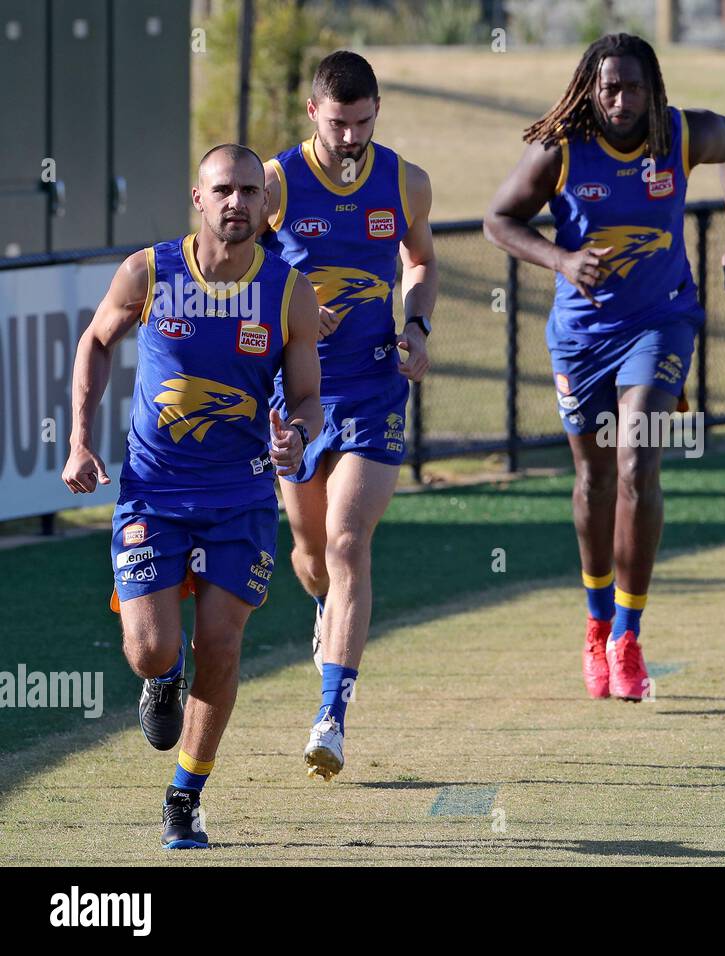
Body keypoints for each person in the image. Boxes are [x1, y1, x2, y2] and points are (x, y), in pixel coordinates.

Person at [62, 144, 322, 848]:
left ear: (267, 206)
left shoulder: (290, 291)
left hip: (239, 496)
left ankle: (186, 793)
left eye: (249, 191)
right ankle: (162, 678)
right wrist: (81, 440)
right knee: (150, 649)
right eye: (222, 190)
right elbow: (96, 341)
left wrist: (295, 439)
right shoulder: (150, 271)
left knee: (223, 644)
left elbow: (307, 399)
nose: (237, 202)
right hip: (153, 492)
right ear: (198, 200)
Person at [483, 33, 725, 701]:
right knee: (595, 478)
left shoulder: (679, 135)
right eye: (609, 87)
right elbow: (498, 219)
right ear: (590, 88)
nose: (621, 100)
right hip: (580, 335)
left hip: (661, 322)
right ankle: (596, 621)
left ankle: (629, 636)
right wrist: (562, 260)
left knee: (637, 459)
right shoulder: (563, 149)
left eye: (633, 87)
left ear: (651, 88)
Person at [260, 51, 436, 780]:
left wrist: (417, 326)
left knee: (345, 540)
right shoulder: (271, 184)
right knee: (309, 556)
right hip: (296, 396)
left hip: (372, 390)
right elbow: (231, 269)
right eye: (339, 124)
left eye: (364, 122)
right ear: (313, 114)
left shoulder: (405, 181)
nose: (352, 137)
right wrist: (296, 310)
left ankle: (332, 713)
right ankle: (328, 618)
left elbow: (420, 262)